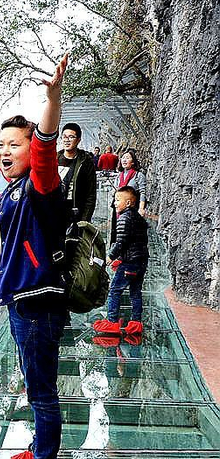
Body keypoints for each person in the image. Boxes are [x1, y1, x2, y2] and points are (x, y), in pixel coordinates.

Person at [0, 54, 70, 459]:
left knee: (41, 387)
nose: (4, 152)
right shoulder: (14, 186)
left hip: (37, 304)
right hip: (21, 301)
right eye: (1, 146)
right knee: (34, 380)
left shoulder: (41, 183)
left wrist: (52, 101)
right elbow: (2, 153)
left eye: (14, 145)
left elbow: (46, 147)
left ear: (31, 149)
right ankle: (38, 447)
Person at [93, 186, 149, 336]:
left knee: (115, 290)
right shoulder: (138, 217)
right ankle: (136, 323)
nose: (114, 203)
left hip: (130, 262)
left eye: (118, 200)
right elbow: (137, 241)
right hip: (140, 261)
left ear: (129, 202)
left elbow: (121, 242)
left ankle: (111, 322)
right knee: (135, 292)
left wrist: (110, 257)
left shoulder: (124, 218)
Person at [57, 122, 97, 222]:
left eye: (71, 137)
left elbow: (90, 194)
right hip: (55, 211)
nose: (67, 140)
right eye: (64, 136)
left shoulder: (86, 162)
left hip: (76, 212)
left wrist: (85, 220)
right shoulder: (54, 159)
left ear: (78, 140)